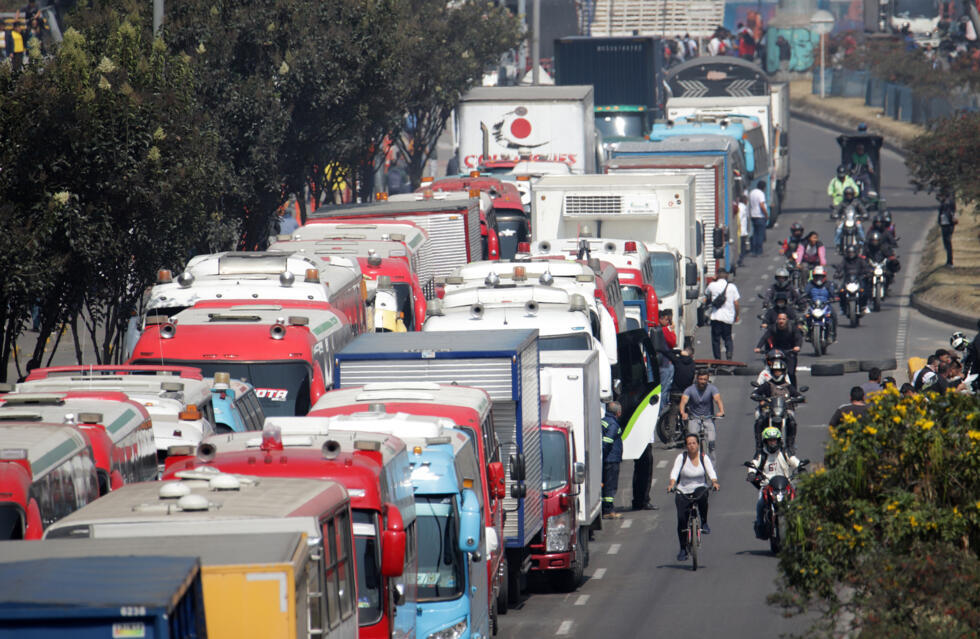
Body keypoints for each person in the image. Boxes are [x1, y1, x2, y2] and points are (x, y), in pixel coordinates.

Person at [667, 433, 720, 561]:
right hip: (683, 490)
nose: (691, 446)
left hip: (699, 488)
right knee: (681, 519)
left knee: (702, 495)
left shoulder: (703, 457)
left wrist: (714, 481)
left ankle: (704, 522)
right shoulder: (682, 457)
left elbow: (711, 471)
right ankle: (683, 549)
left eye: (694, 443)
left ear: (698, 444)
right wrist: (672, 484)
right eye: (689, 443)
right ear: (686, 446)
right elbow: (675, 471)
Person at [746, 427, 800, 539]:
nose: (772, 442)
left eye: (774, 440)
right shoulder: (761, 454)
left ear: (779, 440)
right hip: (767, 485)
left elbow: (794, 461)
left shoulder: (785, 452)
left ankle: (801, 526)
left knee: (797, 502)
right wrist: (751, 473)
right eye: (770, 440)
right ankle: (760, 524)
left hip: (786, 484)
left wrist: (800, 467)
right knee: (760, 503)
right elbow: (754, 464)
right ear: (765, 442)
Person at [750, 359, 803, 454]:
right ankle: (759, 447)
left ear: (783, 372)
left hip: (785, 410)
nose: (777, 373)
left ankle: (790, 445)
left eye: (779, 371)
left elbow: (798, 395)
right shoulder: (767, 384)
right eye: (775, 371)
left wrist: (797, 398)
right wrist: (760, 398)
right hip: (770, 410)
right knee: (760, 420)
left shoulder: (788, 386)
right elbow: (755, 393)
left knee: (791, 421)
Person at [678, 369, 725, 456]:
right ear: (697, 379)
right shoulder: (690, 389)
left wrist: (721, 411)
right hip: (694, 418)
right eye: (700, 379)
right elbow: (683, 401)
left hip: (708, 418)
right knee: (692, 441)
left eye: (704, 379)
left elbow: (717, 399)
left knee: (711, 441)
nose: (702, 381)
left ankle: (711, 466)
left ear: (707, 380)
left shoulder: (712, 388)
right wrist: (683, 412)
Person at [755, 312, 803, 385]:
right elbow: (764, 337)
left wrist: (797, 346)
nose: (781, 321)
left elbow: (798, 338)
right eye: (780, 319)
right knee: (769, 370)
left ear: (786, 320)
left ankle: (793, 391)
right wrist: (758, 347)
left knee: (791, 373)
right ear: (777, 320)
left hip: (790, 351)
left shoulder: (792, 328)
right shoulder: (773, 328)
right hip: (776, 351)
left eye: (783, 319)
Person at [703, 267, 740, 360]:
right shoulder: (732, 287)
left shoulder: (712, 285)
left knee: (716, 339)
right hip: (728, 317)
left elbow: (706, 294)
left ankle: (717, 358)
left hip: (716, 316)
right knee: (727, 337)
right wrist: (737, 315)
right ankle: (729, 353)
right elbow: (736, 303)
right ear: (726, 276)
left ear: (717, 275)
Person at [601, 401, 624, 519]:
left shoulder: (604, 421)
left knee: (605, 484)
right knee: (610, 486)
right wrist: (603, 455)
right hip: (611, 459)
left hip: (607, 459)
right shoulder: (613, 424)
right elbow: (608, 441)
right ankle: (608, 510)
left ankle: (606, 508)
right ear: (618, 413)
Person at [802, 265, 837, 341]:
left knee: (833, 315)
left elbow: (833, 293)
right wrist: (803, 298)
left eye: (821, 276)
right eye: (817, 276)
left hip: (825, 305)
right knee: (805, 316)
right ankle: (808, 333)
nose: (819, 279)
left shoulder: (828, 284)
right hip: (813, 305)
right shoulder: (810, 284)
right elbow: (805, 293)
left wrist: (834, 298)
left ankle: (832, 334)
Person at [836, 245, 871, 314]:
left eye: (852, 252)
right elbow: (840, 267)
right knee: (841, 292)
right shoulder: (845, 260)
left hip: (858, 279)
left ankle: (864, 306)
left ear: (856, 252)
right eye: (849, 252)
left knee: (865, 291)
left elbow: (866, 267)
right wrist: (837, 273)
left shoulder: (860, 260)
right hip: (847, 279)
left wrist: (868, 273)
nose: (851, 254)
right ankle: (842, 307)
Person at [937, 191, 957, 266]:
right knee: (947, 243)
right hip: (947, 224)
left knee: (947, 243)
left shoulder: (947, 203)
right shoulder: (950, 202)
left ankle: (950, 261)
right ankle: (949, 260)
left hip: (947, 225)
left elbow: (946, 214)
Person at [749, 180, 768, 255]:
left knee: (755, 234)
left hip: (753, 215)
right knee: (760, 234)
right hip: (760, 216)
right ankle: (759, 251)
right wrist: (766, 214)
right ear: (763, 187)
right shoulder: (761, 194)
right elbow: (762, 205)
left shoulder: (752, 192)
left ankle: (754, 250)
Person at [737, 193, 750, 266]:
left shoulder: (742, 207)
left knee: (742, 247)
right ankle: (740, 261)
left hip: (742, 231)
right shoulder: (742, 207)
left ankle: (741, 260)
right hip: (741, 231)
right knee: (742, 248)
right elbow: (739, 218)